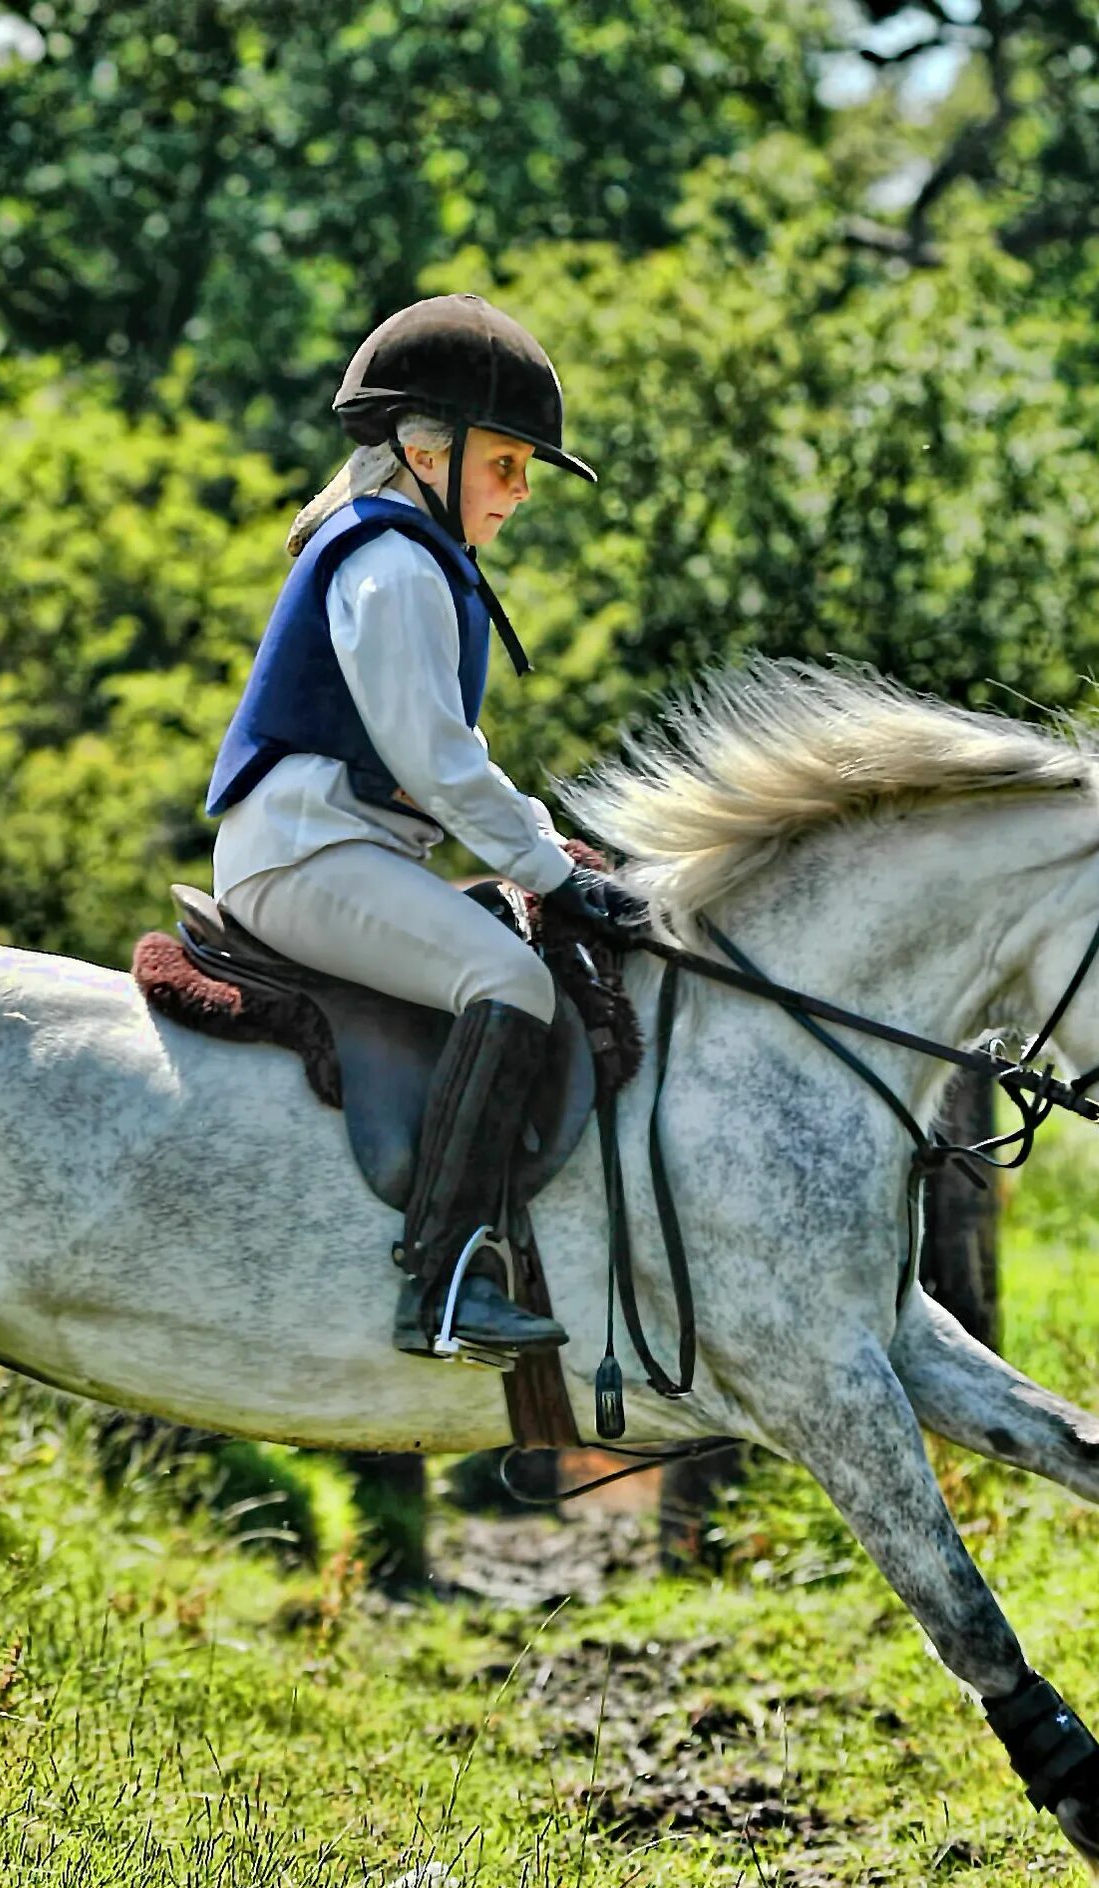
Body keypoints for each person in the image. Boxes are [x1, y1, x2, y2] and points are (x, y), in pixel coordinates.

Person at [204, 295, 653, 1355]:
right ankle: (444, 1279)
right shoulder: (395, 561)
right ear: (421, 448)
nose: (522, 493)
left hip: (335, 849)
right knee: (509, 982)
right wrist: (554, 871)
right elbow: (440, 762)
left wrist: (549, 860)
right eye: (506, 464)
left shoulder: (403, 547)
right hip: (310, 855)